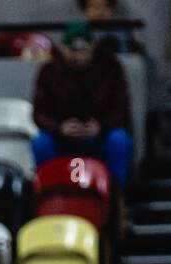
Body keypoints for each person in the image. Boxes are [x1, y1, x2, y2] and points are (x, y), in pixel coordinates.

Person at [31, 21, 134, 187]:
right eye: (72, 51)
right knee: (41, 143)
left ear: (92, 47)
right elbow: (39, 113)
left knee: (119, 140)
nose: (78, 57)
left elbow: (121, 109)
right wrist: (59, 127)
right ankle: (47, 194)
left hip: (100, 136)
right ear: (63, 48)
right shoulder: (48, 71)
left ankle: (116, 197)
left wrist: (100, 126)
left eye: (83, 50)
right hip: (61, 138)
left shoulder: (111, 68)